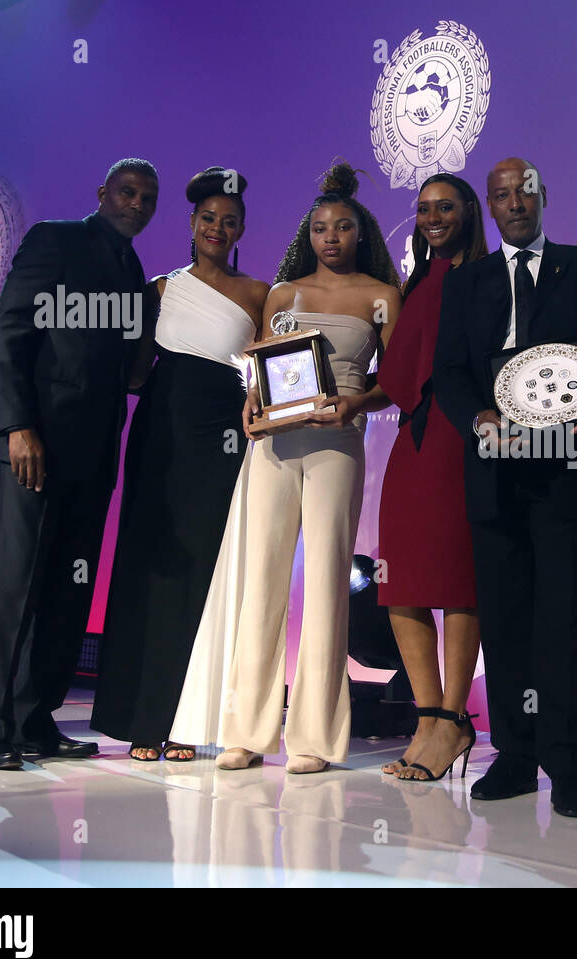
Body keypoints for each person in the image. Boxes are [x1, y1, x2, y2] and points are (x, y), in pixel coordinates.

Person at [176, 163, 400, 775]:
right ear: (309, 233)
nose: (331, 237)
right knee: (261, 583)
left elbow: (396, 380)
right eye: (321, 228)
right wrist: (252, 402)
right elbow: (263, 370)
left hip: (337, 443)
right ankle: (245, 732)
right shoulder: (281, 294)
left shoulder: (382, 296)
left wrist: (358, 403)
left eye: (343, 227)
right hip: (274, 447)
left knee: (328, 584)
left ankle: (315, 739)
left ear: (360, 232)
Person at [432, 158, 577, 817]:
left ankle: (569, 763)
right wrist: (479, 418)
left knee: (568, 619)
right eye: (502, 194)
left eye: (525, 191)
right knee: (505, 618)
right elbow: (450, 372)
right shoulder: (467, 282)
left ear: (543, 196)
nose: (515, 203)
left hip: (567, 466)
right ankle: (514, 754)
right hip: (495, 467)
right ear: (491, 204)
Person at [0, 159, 159, 770]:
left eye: (147, 198)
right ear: (103, 193)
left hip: (94, 454)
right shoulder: (56, 240)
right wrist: (16, 426)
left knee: (68, 591)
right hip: (36, 444)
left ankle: (34, 719)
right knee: (14, 585)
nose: (137, 205)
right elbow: (9, 332)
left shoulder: (132, 270)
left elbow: (121, 366)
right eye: (127, 193)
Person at [90, 167, 268, 762]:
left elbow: (268, 371)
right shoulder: (162, 290)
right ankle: (140, 720)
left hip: (222, 438)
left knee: (202, 572)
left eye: (229, 221)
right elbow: (136, 373)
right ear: (191, 223)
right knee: (149, 564)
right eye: (208, 218)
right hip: (160, 433)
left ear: (242, 229)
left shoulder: (259, 294)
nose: (218, 228)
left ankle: (186, 720)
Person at [376, 173, 487, 781]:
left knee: (456, 577)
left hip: (457, 434)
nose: (433, 218)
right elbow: (396, 371)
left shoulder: (486, 277)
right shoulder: (417, 279)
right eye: (423, 209)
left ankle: (453, 717)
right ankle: (427, 719)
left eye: (445, 207)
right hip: (412, 437)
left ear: (469, 211)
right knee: (401, 580)